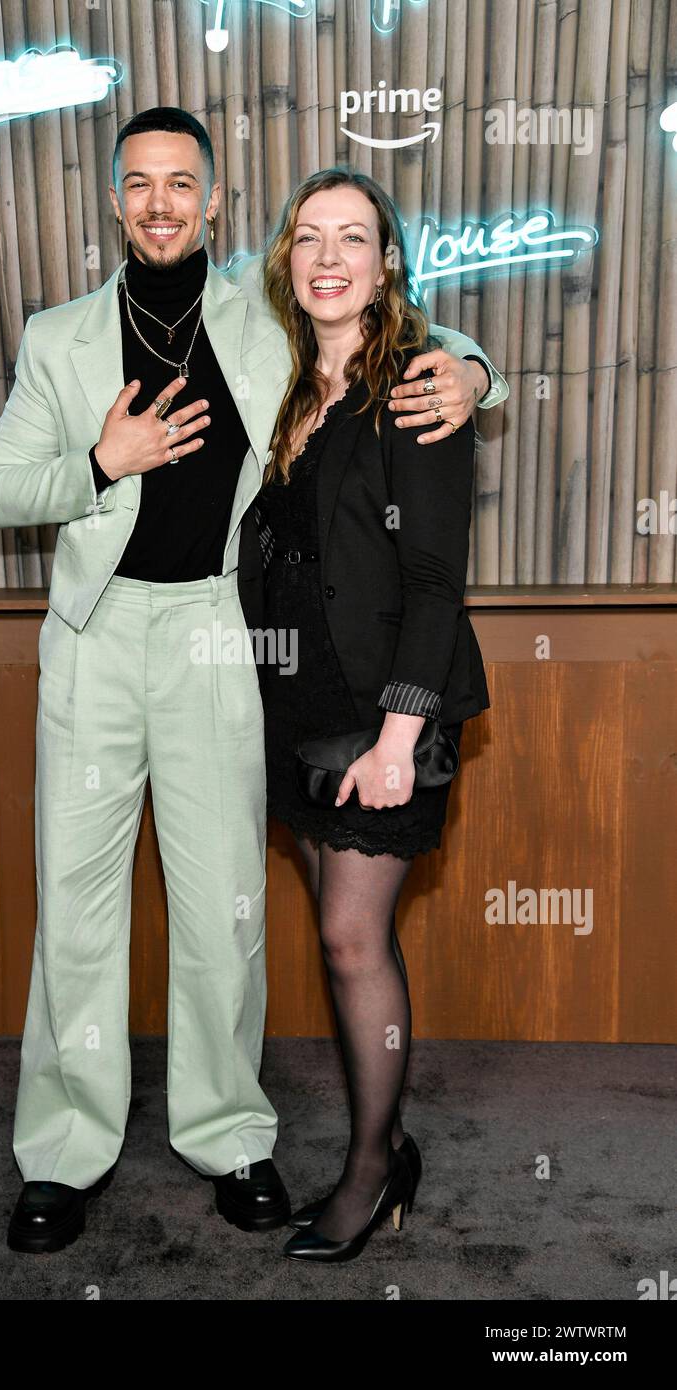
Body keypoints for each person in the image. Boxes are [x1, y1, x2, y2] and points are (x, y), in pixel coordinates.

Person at [0, 107, 505, 1255]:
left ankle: (226, 1133)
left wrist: (474, 371)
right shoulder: (55, 336)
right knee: (76, 905)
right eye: (138, 184)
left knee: (226, 903)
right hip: (95, 637)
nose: (160, 201)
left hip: (224, 635)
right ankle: (64, 1149)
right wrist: (95, 464)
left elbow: (384, 323)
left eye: (182, 183)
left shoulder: (261, 316)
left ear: (213, 204)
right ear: (114, 201)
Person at [237, 168, 491, 1263]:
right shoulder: (284, 382)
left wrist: (397, 736)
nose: (330, 257)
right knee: (343, 931)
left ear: (386, 262)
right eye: (309, 238)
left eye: (353, 238)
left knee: (349, 939)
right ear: (286, 261)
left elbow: (436, 582)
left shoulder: (421, 387)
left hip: (382, 714)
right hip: (287, 705)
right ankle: (385, 1144)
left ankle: (374, 1162)